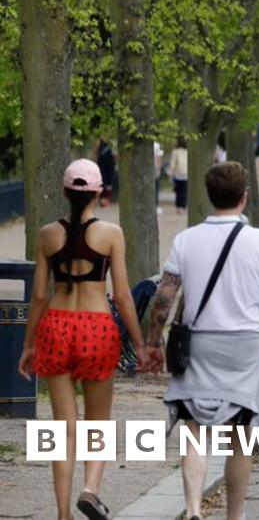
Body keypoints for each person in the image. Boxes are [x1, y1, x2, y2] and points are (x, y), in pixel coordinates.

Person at [144, 162, 259, 520]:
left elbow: (163, 298)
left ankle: (194, 508)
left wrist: (152, 343)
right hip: (244, 346)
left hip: (199, 343)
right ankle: (234, 516)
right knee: (241, 437)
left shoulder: (186, 240)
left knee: (194, 430)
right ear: (245, 197)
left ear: (210, 196)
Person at [17, 159, 148, 520]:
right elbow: (123, 295)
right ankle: (90, 490)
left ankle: (63, 513)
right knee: (98, 422)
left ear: (64, 192)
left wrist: (28, 344)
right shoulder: (111, 234)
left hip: (56, 327)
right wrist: (139, 345)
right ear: (98, 193)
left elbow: (39, 296)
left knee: (64, 427)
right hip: (97, 328)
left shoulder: (47, 235)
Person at [169, 136, 189, 214]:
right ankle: (182, 206)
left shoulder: (175, 151)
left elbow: (173, 163)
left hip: (178, 173)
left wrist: (170, 173)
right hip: (186, 173)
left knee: (178, 191)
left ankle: (178, 206)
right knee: (184, 191)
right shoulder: (187, 151)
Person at [95, 139, 116, 207]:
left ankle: (104, 200)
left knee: (106, 186)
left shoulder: (105, 151)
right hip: (106, 172)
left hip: (106, 172)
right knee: (106, 186)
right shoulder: (104, 151)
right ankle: (104, 200)